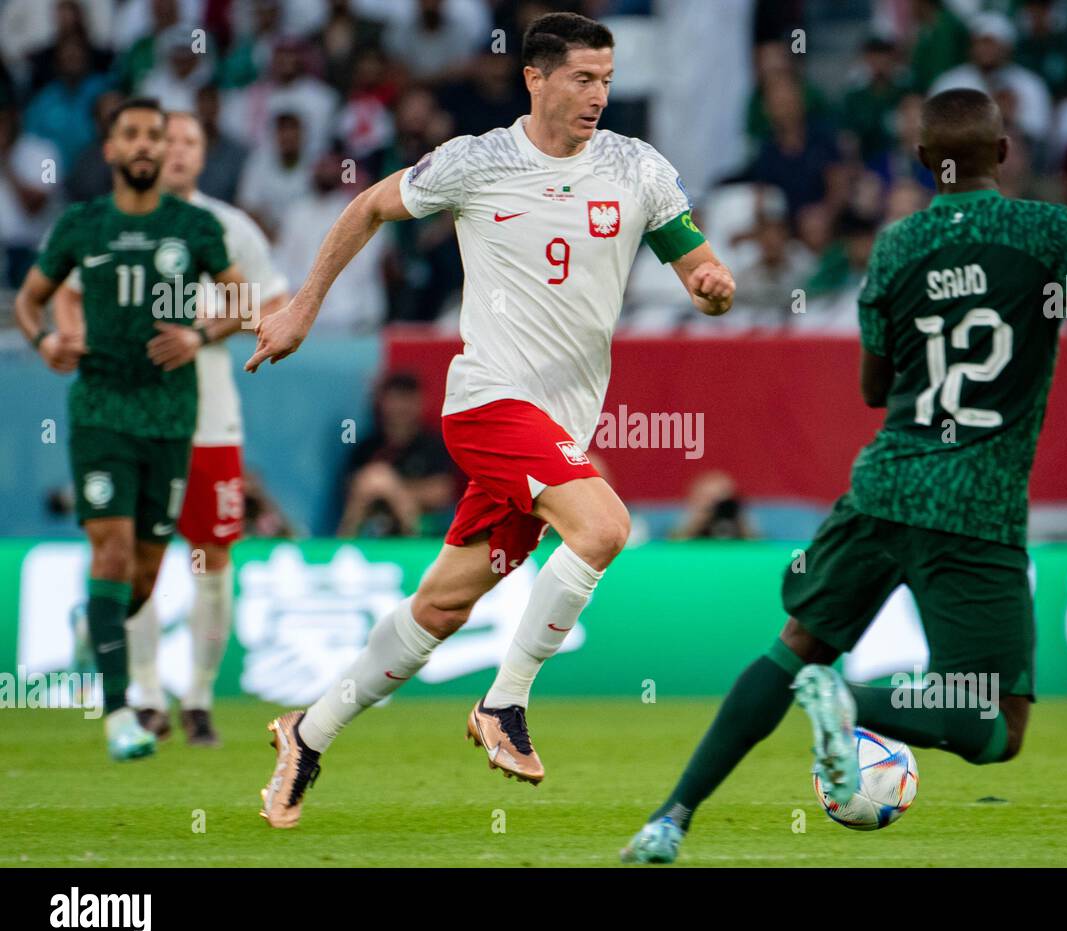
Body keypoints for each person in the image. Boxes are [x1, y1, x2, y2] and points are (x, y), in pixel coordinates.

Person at [622, 88, 1067, 864]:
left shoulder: (898, 247)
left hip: (882, 484)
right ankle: (852, 700)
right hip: (975, 500)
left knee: (797, 642)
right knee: (995, 727)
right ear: (1006, 153)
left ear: (927, 164)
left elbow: (873, 386)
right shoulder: (1051, 232)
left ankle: (670, 818)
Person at [245, 12, 735, 829]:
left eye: (607, 80)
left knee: (441, 607)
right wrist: (301, 306)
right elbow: (368, 206)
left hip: (562, 423)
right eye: (582, 78)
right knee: (604, 526)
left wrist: (711, 282)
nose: (598, 96)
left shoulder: (637, 168)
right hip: (488, 401)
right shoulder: (476, 162)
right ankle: (504, 704)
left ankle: (308, 730)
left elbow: (695, 259)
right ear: (535, 78)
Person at [12, 98, 248, 761]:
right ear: (111, 150)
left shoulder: (195, 226)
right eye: (133, 135)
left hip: (174, 418)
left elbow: (241, 299)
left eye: (156, 134)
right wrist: (46, 340)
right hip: (101, 412)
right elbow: (31, 298)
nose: (146, 145)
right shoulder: (82, 225)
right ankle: (120, 712)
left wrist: (199, 331)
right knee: (111, 554)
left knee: (142, 576)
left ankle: (102, 628)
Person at [111, 110, 286, 747]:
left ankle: (201, 697)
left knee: (212, 555)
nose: (178, 151)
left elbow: (272, 307)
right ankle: (148, 694)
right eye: (167, 140)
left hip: (210, 418)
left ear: (204, 153)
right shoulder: (119, 223)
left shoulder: (229, 228)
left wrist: (205, 330)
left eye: (191, 142)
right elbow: (78, 301)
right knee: (137, 556)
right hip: (135, 417)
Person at [337, 372, 457, 537]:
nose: (401, 407)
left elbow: (442, 493)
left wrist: (391, 487)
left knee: (380, 478)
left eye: (407, 399)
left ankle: (412, 542)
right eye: (395, 399)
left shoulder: (433, 445)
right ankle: (344, 545)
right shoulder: (366, 447)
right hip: (373, 528)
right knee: (375, 477)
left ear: (420, 402)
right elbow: (354, 491)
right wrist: (380, 485)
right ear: (382, 402)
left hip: (424, 527)